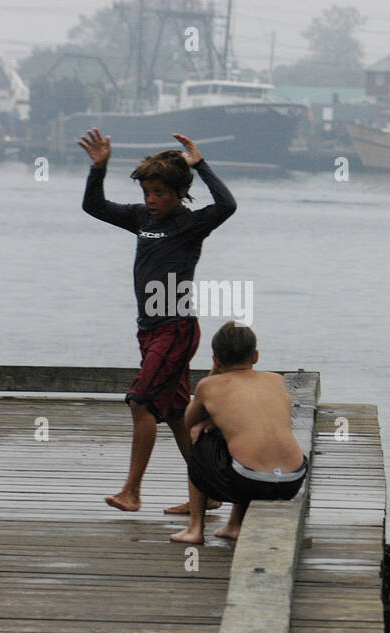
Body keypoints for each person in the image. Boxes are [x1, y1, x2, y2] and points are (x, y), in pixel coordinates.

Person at [78, 128, 236, 514]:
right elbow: (93, 207)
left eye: (160, 193)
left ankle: (132, 491)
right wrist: (99, 168)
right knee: (179, 415)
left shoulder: (190, 224)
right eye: (147, 192)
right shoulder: (139, 218)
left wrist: (202, 166)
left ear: (180, 192)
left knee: (141, 401)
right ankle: (210, 490)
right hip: (149, 330)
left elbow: (227, 205)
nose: (150, 200)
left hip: (176, 327)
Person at [170, 322, 307, 545]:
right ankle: (234, 525)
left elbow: (188, 421)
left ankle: (195, 529)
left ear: (215, 360)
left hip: (248, 482)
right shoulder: (276, 380)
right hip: (292, 480)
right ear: (255, 356)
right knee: (244, 439)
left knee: (199, 434)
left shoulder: (208, 385)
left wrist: (212, 413)